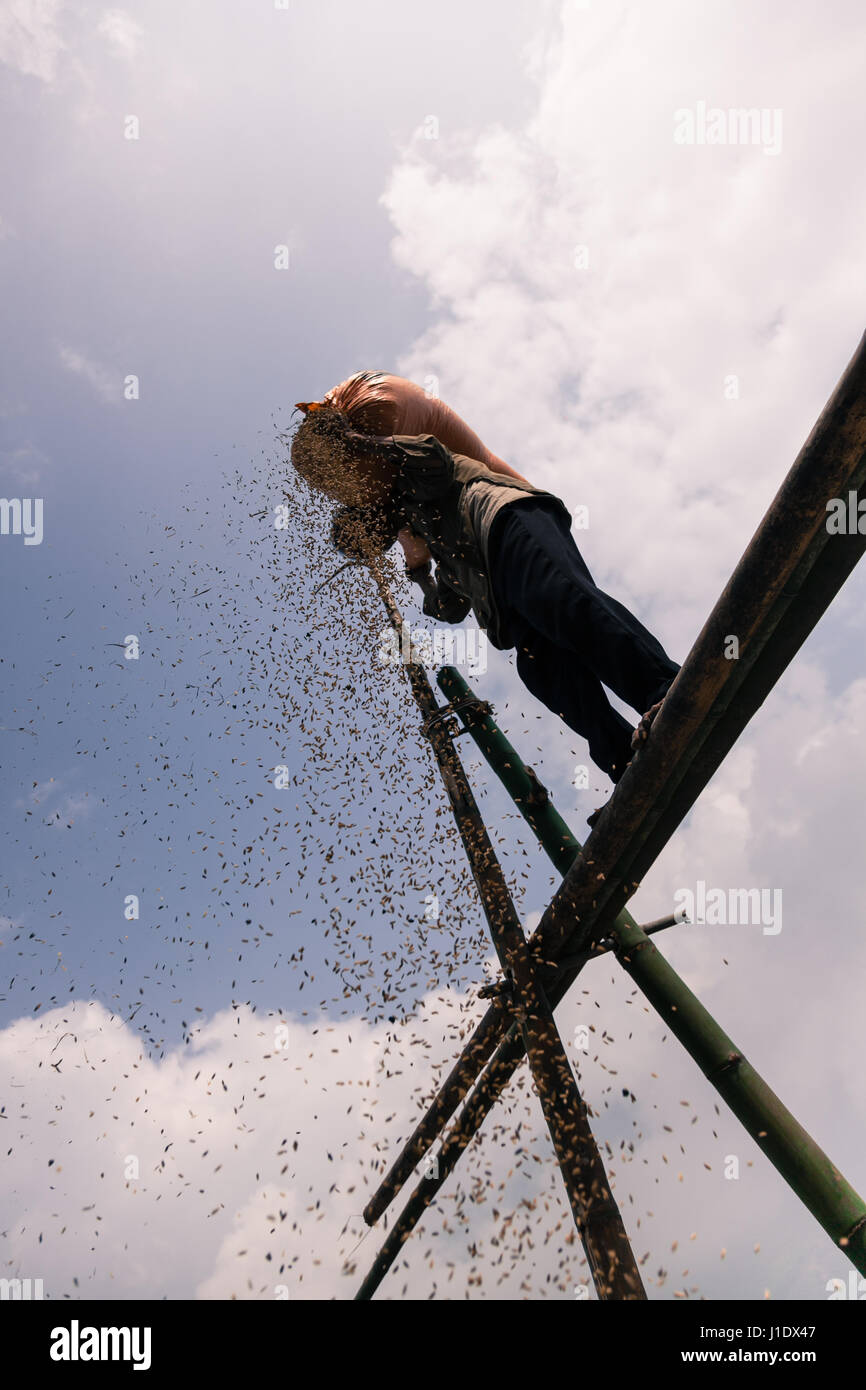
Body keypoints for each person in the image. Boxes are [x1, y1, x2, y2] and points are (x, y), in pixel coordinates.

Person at [291, 372, 679, 788]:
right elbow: (449, 607)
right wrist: (420, 573)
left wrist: (356, 443)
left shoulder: (410, 467)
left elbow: (434, 462)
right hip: (499, 588)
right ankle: (624, 762)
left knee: (563, 601)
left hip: (507, 519)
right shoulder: (429, 536)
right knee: (546, 676)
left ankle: (664, 691)